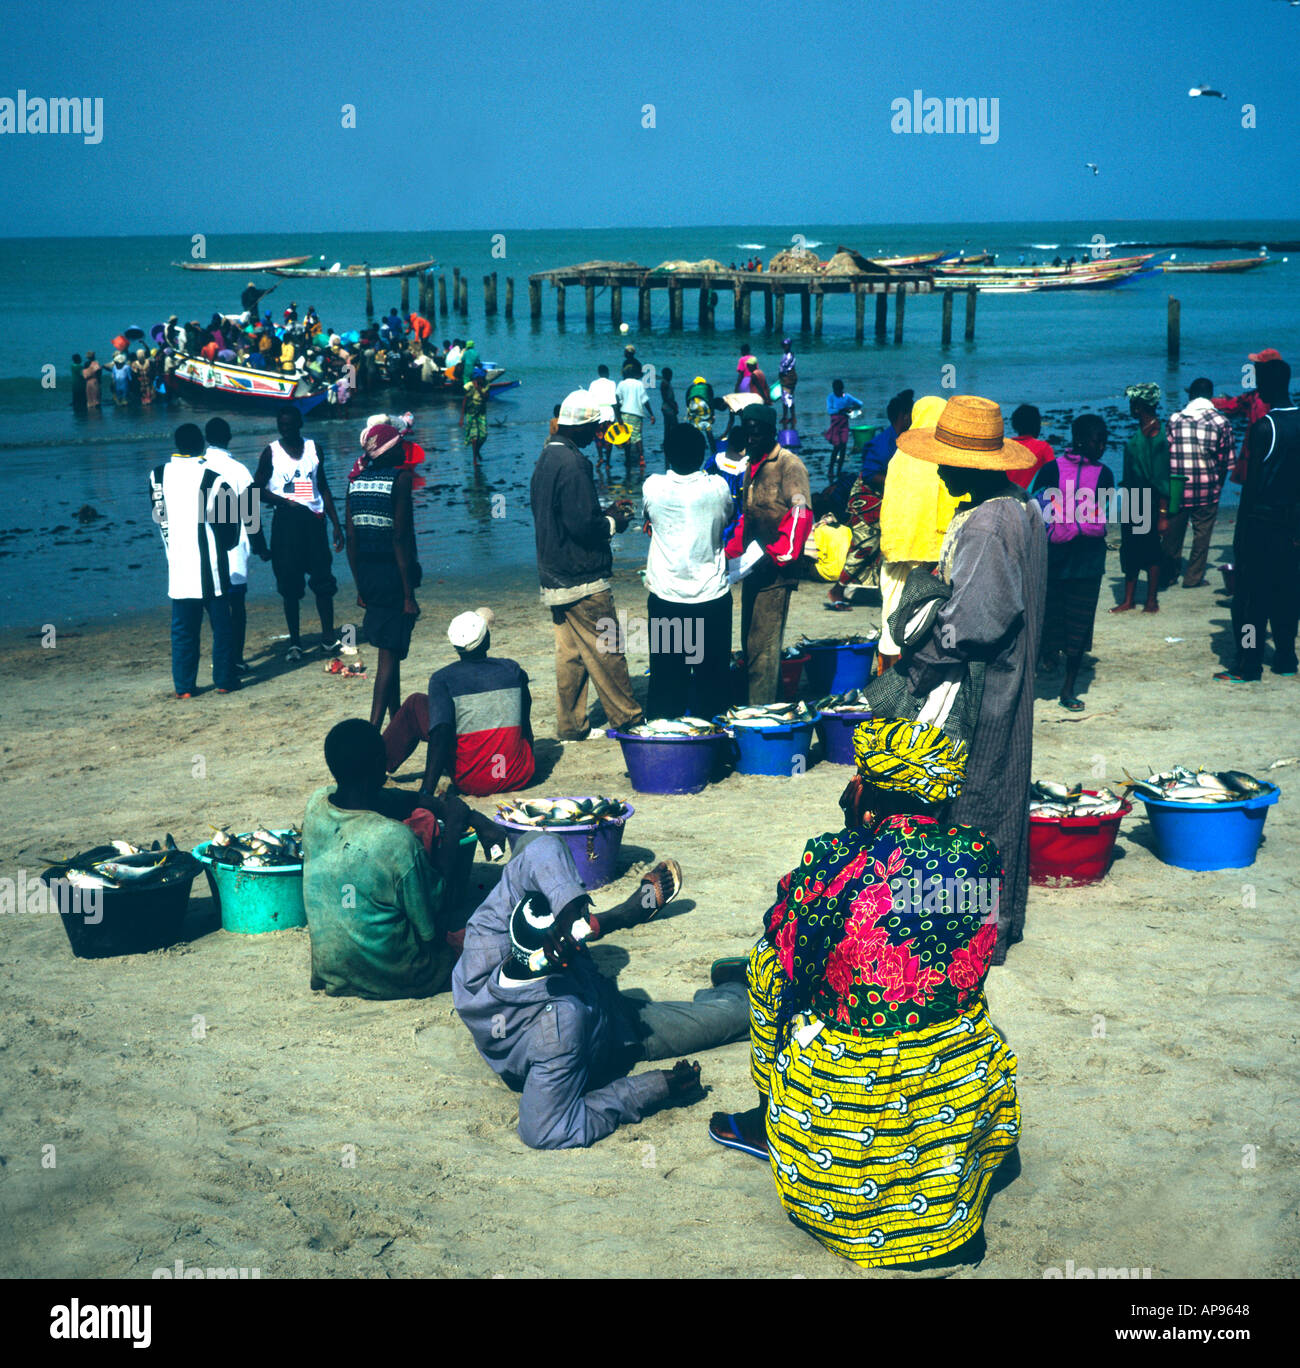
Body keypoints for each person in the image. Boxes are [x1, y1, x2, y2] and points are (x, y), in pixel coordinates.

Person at [708, 717, 1019, 1269]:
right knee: (949, 978)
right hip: (954, 1054)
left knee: (763, 967)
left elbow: (789, 950)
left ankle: (768, 1114)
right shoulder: (981, 854)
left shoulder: (832, 860)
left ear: (868, 793)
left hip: (850, 1083)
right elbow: (977, 947)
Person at [453, 835, 750, 1149]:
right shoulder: (561, 1027)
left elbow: (541, 847)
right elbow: (543, 1130)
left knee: (529, 846)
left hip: (554, 1004)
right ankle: (727, 981)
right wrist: (649, 1089)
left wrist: (567, 906)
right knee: (737, 1015)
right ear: (560, 959)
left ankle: (606, 919)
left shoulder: (484, 936)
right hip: (604, 1031)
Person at [897, 395, 1045, 963]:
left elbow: (977, 621)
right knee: (1001, 788)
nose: (938, 468)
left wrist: (919, 664)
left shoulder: (987, 523)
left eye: (945, 459)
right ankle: (992, 923)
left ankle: (968, 934)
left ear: (972, 464)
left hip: (985, 679)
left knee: (974, 798)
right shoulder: (1020, 506)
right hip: (1014, 669)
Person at [303, 720, 475, 1000]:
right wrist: (454, 828)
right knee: (486, 935)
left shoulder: (317, 804)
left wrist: (431, 804)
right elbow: (433, 917)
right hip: (404, 977)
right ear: (378, 766)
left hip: (334, 972)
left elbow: (386, 796)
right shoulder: (396, 840)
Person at [531, 390, 643, 739]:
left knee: (571, 656)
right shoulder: (575, 464)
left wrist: (603, 513)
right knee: (608, 649)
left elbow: (563, 516)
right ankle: (627, 719)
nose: (597, 435)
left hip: (552, 572)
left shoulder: (546, 457)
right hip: (582, 575)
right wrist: (613, 523)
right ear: (579, 427)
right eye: (594, 428)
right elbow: (583, 527)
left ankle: (572, 725)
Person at [381, 607, 536, 797]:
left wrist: (426, 790)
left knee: (415, 705)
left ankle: (376, 765)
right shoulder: (512, 669)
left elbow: (441, 734)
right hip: (518, 773)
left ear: (456, 647)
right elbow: (524, 717)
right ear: (487, 640)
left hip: (474, 781)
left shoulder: (443, 679)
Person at [641, 424, 734, 721]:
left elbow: (649, 517)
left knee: (667, 675)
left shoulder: (653, 486)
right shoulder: (718, 487)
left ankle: (666, 737)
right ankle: (713, 739)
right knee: (713, 676)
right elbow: (727, 516)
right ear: (701, 454)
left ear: (668, 455)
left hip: (668, 596)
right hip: (712, 596)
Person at [1215, 358, 1300, 681]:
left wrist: (1240, 535)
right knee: (1287, 595)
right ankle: (1286, 658)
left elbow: (1252, 488)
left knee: (1251, 602)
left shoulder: (1265, 427)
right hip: (1293, 528)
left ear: (1264, 386)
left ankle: (1249, 663)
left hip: (1262, 526)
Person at [725, 404, 813, 704]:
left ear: (771, 431)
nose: (750, 437)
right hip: (753, 567)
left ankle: (760, 714)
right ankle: (768, 703)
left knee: (763, 648)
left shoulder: (788, 465)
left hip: (775, 571)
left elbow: (801, 514)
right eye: (746, 430)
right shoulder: (752, 465)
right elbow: (746, 517)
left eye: (756, 431)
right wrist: (730, 555)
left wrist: (776, 557)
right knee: (751, 643)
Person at [148, 423, 242, 697]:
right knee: (222, 628)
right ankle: (224, 680)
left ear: (177, 445)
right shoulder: (213, 478)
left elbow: (160, 517)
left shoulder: (156, 476)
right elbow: (230, 528)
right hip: (211, 566)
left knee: (183, 631)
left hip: (178, 566)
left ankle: (184, 686)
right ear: (202, 444)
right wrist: (226, 545)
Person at [1032, 415, 1115, 711]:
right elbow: (1035, 507)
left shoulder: (1105, 474)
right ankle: (1048, 656)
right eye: (1098, 439)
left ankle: (1069, 687)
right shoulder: (1051, 469)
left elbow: (1100, 510)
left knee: (1080, 622)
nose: (1103, 445)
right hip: (1054, 558)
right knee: (1049, 614)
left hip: (1088, 560)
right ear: (1080, 440)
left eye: (1105, 439)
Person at [253, 406, 345, 660]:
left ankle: (328, 638)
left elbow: (322, 486)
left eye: (291, 425)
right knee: (289, 584)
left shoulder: (314, 449)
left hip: (315, 524)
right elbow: (256, 489)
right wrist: (283, 502)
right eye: (282, 426)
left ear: (299, 424)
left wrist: (336, 525)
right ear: (278, 426)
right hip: (286, 524)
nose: (287, 429)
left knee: (323, 582)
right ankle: (295, 642)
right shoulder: (270, 452)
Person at [346, 422, 421, 727]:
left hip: (368, 574)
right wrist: (408, 594)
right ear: (390, 451)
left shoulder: (356, 482)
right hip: (393, 575)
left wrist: (359, 585)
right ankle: (374, 728)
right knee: (389, 656)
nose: (405, 449)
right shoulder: (400, 480)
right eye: (400, 445)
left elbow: (352, 540)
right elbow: (400, 538)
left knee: (389, 648)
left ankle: (395, 720)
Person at [875, 395, 958, 666]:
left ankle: (886, 686)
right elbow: (952, 505)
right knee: (929, 620)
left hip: (897, 549)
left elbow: (890, 505)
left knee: (892, 616)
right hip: (932, 553)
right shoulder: (944, 455)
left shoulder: (901, 454)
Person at [825, 390, 913, 609]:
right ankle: (837, 589)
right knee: (865, 545)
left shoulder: (905, 439)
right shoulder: (882, 443)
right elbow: (871, 474)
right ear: (902, 415)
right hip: (869, 499)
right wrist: (900, 481)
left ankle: (884, 590)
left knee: (886, 546)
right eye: (910, 413)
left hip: (889, 498)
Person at [202, 418, 267, 673]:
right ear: (229, 437)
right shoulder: (239, 470)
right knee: (236, 607)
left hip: (205, 548)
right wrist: (261, 547)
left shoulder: (199, 468)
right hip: (234, 548)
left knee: (215, 605)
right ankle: (236, 658)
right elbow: (251, 516)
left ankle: (223, 656)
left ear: (207, 438)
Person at [1163, 378, 1234, 589]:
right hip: (1207, 487)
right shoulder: (1221, 422)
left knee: (1172, 535)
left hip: (1178, 487)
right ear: (1211, 396)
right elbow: (1226, 462)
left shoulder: (1175, 419)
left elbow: (1166, 454)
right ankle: (1193, 578)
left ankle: (1169, 574)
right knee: (1202, 536)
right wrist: (1217, 486)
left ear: (1190, 395)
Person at [1111, 383, 1168, 614]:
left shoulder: (1156, 435)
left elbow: (1163, 477)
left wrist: (1163, 515)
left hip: (1150, 499)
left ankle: (1151, 600)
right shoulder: (1142, 430)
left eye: (1133, 403)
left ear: (1140, 406)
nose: (1131, 407)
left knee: (1151, 549)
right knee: (1130, 549)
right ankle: (1129, 599)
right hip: (1133, 497)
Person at [1213, 347, 1282, 486]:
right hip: (1263, 465)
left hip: (1259, 465)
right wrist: (1207, 400)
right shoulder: (1256, 396)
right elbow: (1232, 404)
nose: (1254, 371)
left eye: (1257, 367)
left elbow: (1233, 405)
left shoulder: (1261, 400)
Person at [614, 366, 655, 469]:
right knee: (637, 437)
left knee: (626, 437)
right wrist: (651, 414)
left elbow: (617, 399)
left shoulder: (621, 384)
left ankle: (627, 459)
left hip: (625, 413)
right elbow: (645, 400)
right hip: (637, 414)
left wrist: (617, 415)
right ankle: (641, 457)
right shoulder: (639, 384)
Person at [1007, 403, 1055, 490]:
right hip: (1032, 499)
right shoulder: (1044, 448)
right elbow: (1054, 475)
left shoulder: (1004, 446)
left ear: (1014, 426)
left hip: (1005, 498)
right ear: (1037, 426)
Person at [823, 379, 862, 479]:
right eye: (836, 390)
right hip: (835, 424)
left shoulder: (847, 397)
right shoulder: (831, 397)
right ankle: (831, 469)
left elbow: (859, 403)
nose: (838, 392)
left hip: (844, 424)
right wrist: (841, 409)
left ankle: (839, 470)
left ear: (842, 389)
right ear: (834, 389)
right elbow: (830, 410)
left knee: (843, 446)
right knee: (837, 447)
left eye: (839, 390)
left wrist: (852, 408)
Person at [588, 364, 618, 463]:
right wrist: (619, 418)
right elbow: (614, 402)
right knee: (609, 438)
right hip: (609, 414)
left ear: (599, 373)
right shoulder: (612, 383)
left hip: (597, 414)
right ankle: (608, 462)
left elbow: (590, 400)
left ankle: (600, 457)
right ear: (608, 373)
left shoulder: (593, 384)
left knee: (598, 437)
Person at [461, 366, 490, 463]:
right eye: (481, 378)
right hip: (471, 413)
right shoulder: (469, 386)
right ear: (476, 378)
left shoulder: (485, 385)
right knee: (474, 436)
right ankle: (474, 459)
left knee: (483, 435)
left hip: (481, 413)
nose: (483, 379)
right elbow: (465, 400)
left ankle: (477, 451)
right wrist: (462, 417)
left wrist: (479, 389)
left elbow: (486, 397)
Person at [685, 374, 717, 450]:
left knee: (695, 426)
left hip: (692, 404)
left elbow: (687, 399)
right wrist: (712, 414)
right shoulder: (707, 386)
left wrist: (689, 413)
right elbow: (711, 400)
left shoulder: (691, 387)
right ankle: (712, 447)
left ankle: (695, 446)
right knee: (707, 426)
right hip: (703, 405)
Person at [777, 338, 797, 427]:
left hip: (788, 377)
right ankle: (786, 416)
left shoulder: (789, 355)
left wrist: (781, 375)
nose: (784, 347)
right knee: (785, 397)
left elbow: (784, 367)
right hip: (786, 377)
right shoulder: (786, 354)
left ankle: (792, 417)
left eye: (786, 345)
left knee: (788, 397)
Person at [658, 365, 678, 451]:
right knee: (673, 425)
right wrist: (674, 407)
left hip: (668, 407)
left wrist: (675, 404)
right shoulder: (664, 383)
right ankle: (670, 442)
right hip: (668, 407)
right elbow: (666, 398)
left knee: (668, 425)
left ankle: (667, 442)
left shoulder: (666, 383)